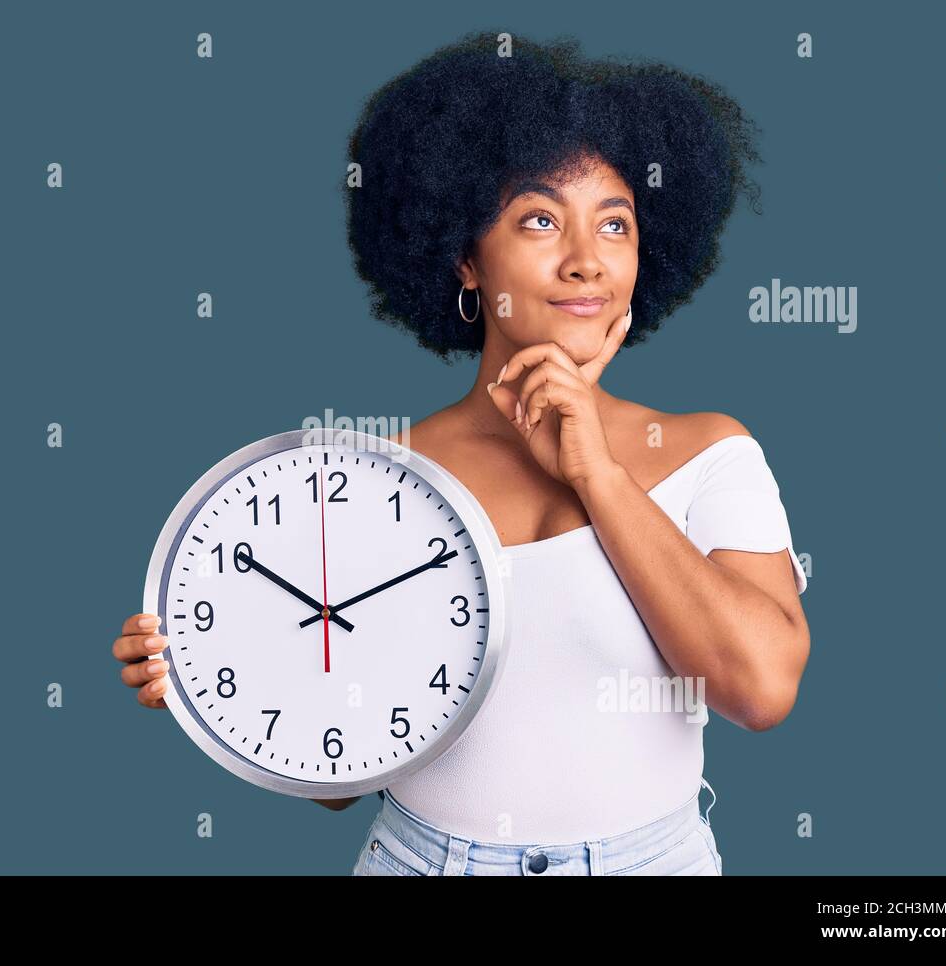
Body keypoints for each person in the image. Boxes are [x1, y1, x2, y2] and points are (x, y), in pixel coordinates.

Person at [114, 32, 810, 875]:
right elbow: (343, 770)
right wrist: (208, 678)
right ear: (465, 260)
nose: (587, 259)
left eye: (616, 223)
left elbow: (761, 689)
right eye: (541, 219)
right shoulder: (377, 476)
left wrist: (597, 473)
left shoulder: (711, 452)